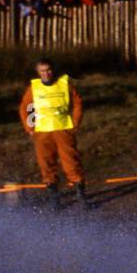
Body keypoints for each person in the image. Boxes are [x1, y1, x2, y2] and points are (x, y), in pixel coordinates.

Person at [19, 57, 86, 209]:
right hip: (42, 133)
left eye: (48, 70)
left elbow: (77, 104)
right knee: (46, 164)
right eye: (42, 71)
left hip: (63, 130)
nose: (46, 73)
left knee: (71, 162)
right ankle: (55, 199)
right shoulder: (33, 88)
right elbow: (27, 107)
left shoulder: (65, 84)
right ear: (38, 72)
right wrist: (30, 128)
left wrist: (75, 124)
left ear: (53, 70)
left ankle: (81, 196)